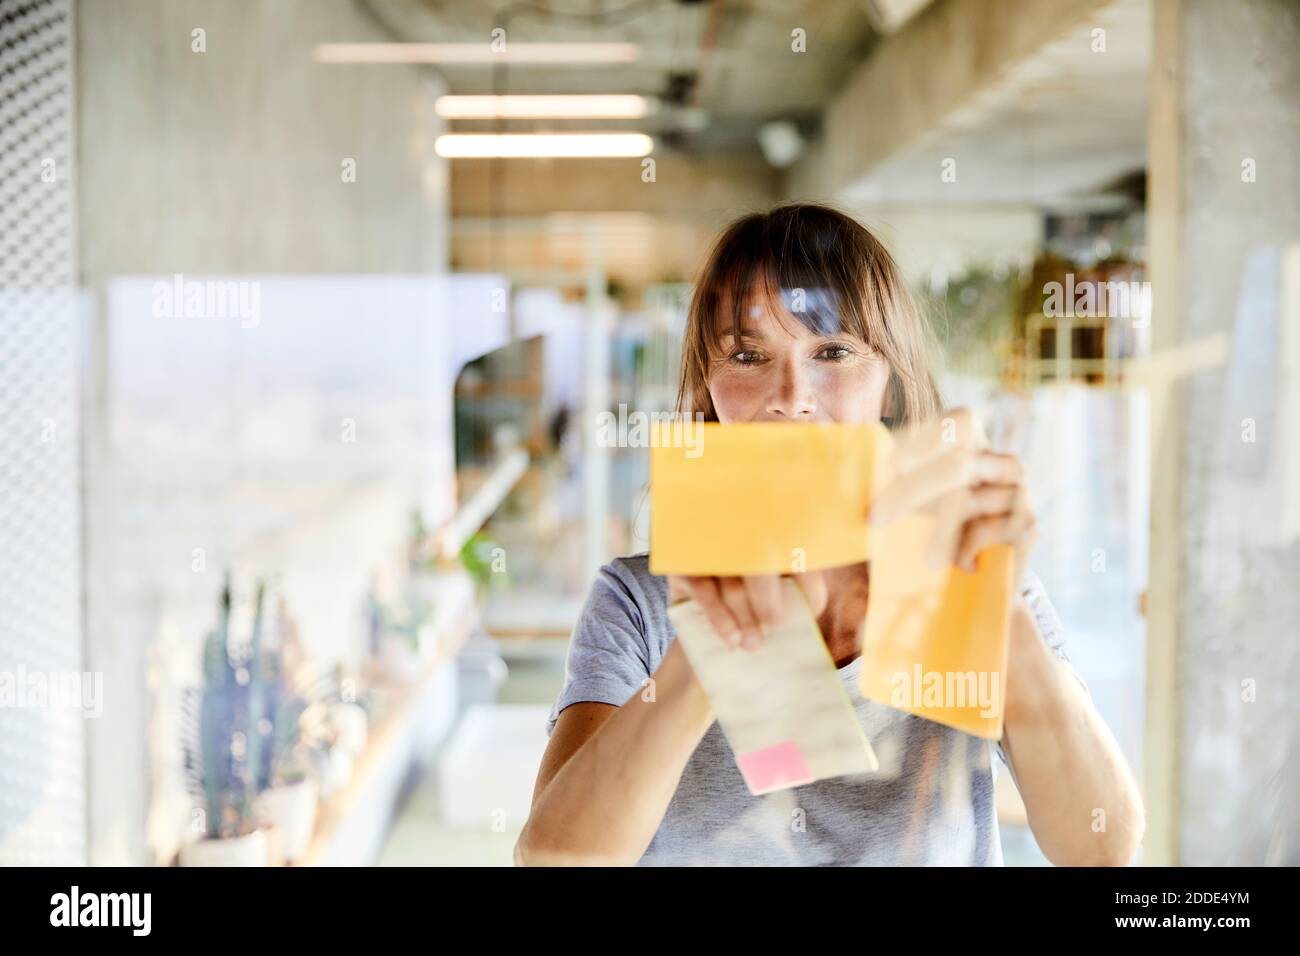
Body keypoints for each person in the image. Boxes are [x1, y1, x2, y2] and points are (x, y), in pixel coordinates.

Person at [516, 203, 1144, 866]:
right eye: (749, 354)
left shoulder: (970, 576)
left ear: (890, 385)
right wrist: (708, 638)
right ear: (708, 392)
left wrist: (994, 611)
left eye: (833, 351)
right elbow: (554, 858)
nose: (792, 395)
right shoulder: (639, 602)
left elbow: (1104, 846)